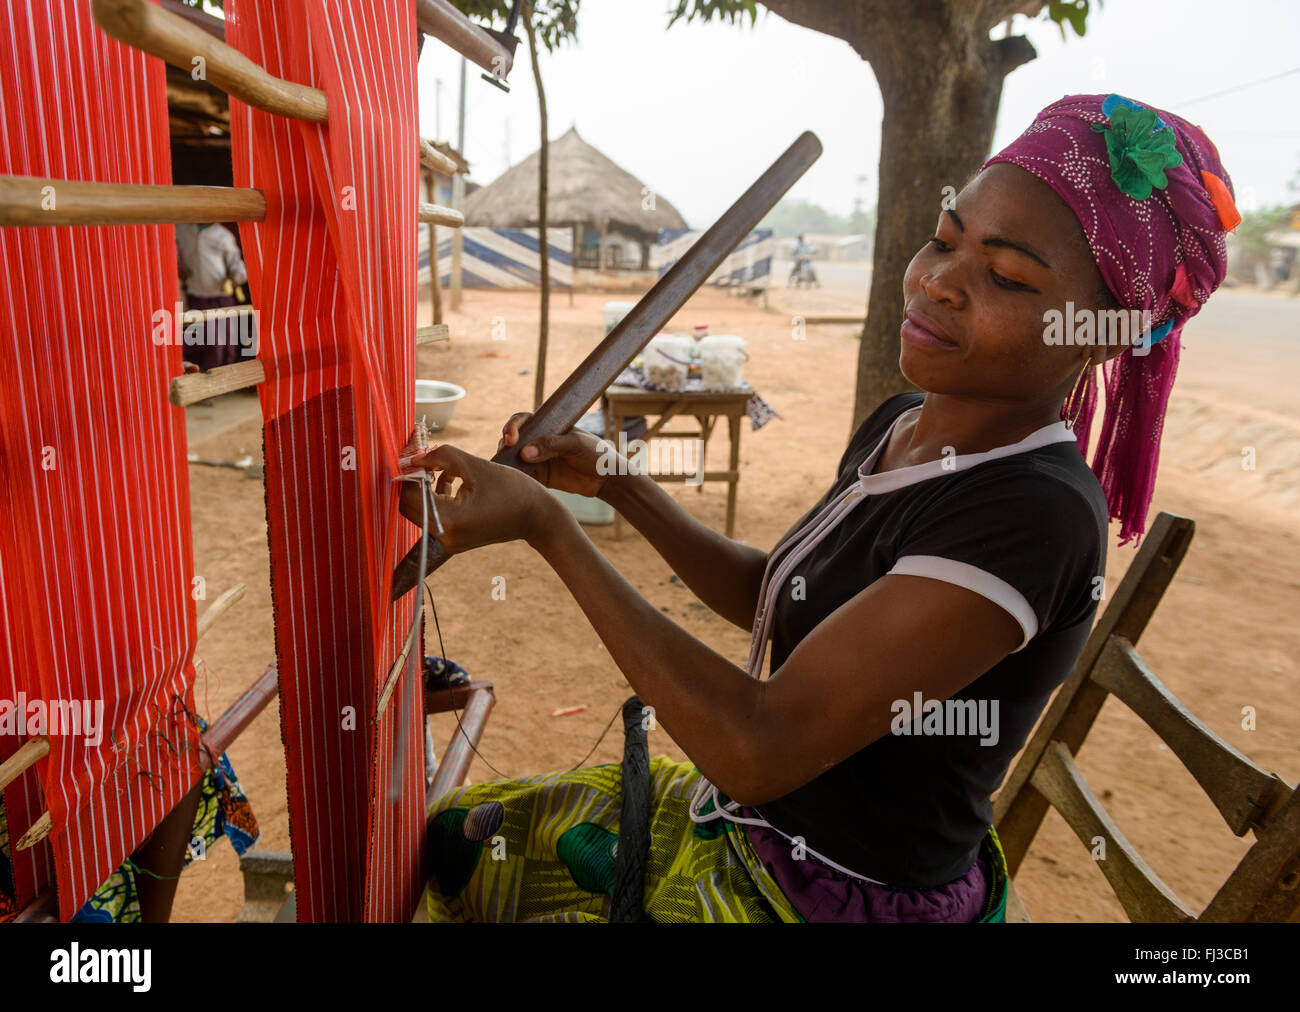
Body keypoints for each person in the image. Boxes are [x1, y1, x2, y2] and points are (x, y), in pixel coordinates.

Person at [401, 93, 1239, 923]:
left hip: (830, 896)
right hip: (758, 828)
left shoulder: (1033, 517)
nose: (939, 282)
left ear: (1099, 333)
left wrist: (547, 529)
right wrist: (619, 480)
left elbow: (759, 747)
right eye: (944, 240)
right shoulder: (901, 427)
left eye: (1008, 276)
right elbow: (781, 591)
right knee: (456, 847)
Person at [175, 222, 250, 372]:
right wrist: (178, 268)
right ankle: (210, 381)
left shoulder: (223, 236)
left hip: (222, 297)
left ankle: (227, 381)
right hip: (197, 296)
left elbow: (237, 266)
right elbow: (171, 247)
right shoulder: (182, 229)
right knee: (213, 342)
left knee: (229, 344)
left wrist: (235, 279)